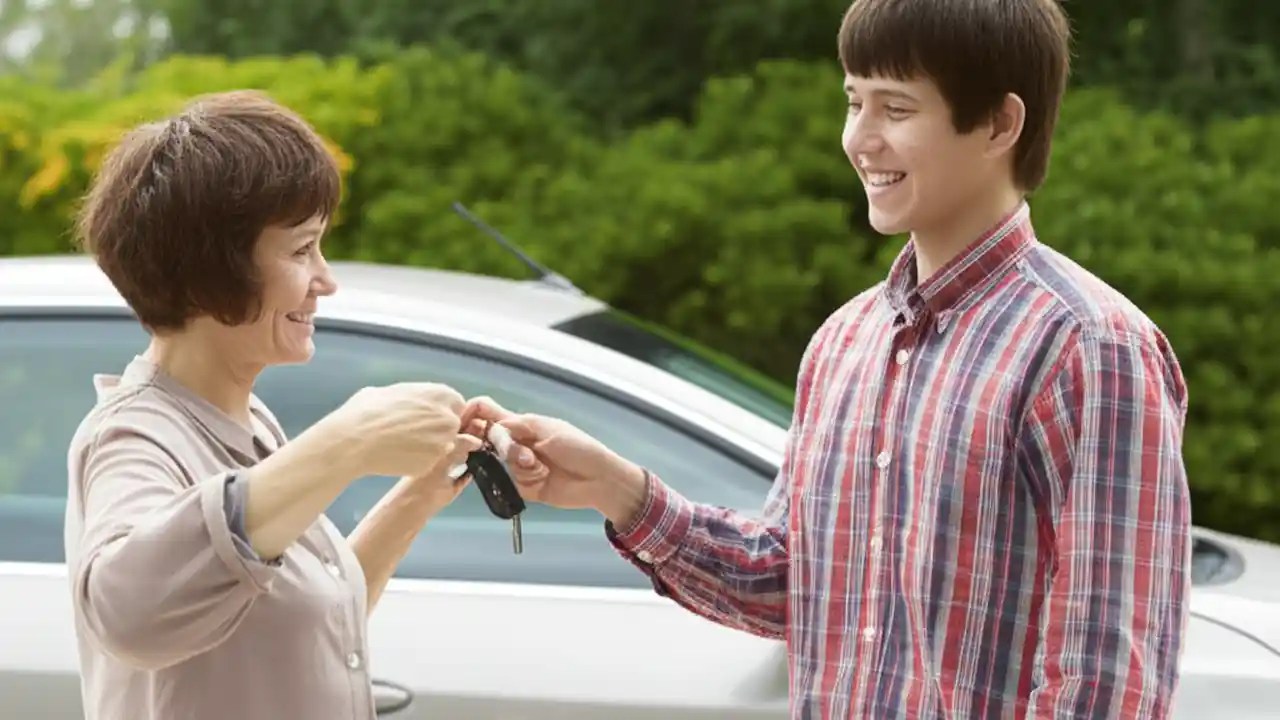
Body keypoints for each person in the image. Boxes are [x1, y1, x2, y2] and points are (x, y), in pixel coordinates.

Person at [468, 0, 1193, 717]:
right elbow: (792, 582)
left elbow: (1105, 681)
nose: (860, 139)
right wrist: (617, 489)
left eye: (896, 110)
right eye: (854, 102)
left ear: (1000, 123)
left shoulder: (1090, 348)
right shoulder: (845, 342)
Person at [64, 90, 484, 720]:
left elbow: (309, 619)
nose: (326, 279)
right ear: (215, 272)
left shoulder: (247, 419)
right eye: (300, 249)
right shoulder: (134, 434)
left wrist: (419, 493)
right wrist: (349, 440)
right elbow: (129, 614)